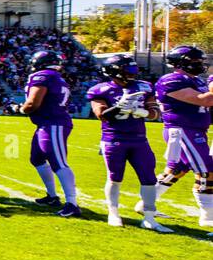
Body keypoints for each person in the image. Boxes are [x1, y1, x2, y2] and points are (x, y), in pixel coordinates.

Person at [87, 54, 169, 232]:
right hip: (114, 139)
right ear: (114, 72)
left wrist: (140, 111)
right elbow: (101, 115)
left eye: (134, 69)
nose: (133, 73)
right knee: (115, 177)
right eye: (128, 70)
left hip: (139, 139)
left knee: (149, 177)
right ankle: (113, 213)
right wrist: (117, 107)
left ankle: (149, 218)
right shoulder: (100, 89)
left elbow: (156, 113)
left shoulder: (144, 87)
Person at [149, 45, 213, 228]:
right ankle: (208, 217)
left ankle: (145, 203)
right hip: (182, 130)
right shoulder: (171, 80)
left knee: (177, 169)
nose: (200, 64)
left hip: (194, 129)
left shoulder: (196, 80)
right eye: (195, 61)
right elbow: (206, 100)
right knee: (207, 170)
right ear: (181, 63)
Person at [13, 50, 80, 218]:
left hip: (53, 123)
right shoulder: (56, 77)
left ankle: (72, 203)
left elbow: (33, 103)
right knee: (37, 158)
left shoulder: (43, 76)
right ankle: (52, 196)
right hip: (47, 123)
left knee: (59, 163)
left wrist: (20, 108)